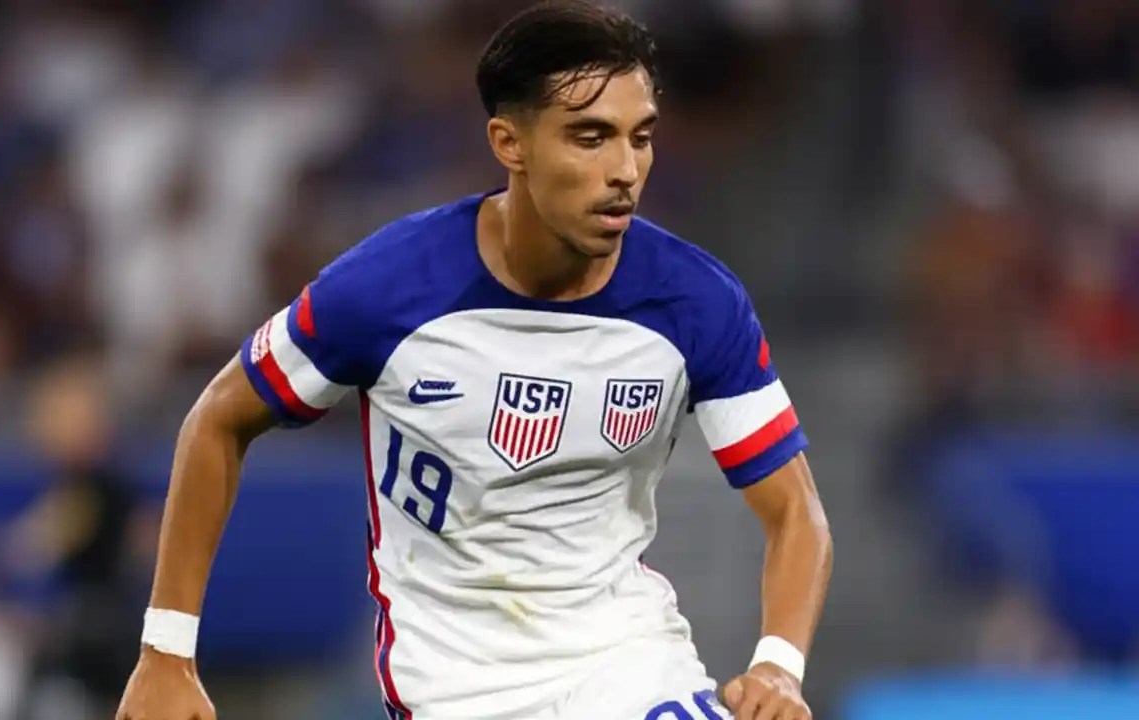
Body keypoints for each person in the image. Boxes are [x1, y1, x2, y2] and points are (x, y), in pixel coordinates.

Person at [115, 2, 833, 719]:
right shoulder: (388, 288)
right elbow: (217, 420)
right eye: (590, 138)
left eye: (639, 138)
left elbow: (796, 511)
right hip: (452, 687)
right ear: (509, 143)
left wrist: (779, 666)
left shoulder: (696, 303)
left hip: (628, 663)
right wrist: (166, 652)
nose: (625, 171)